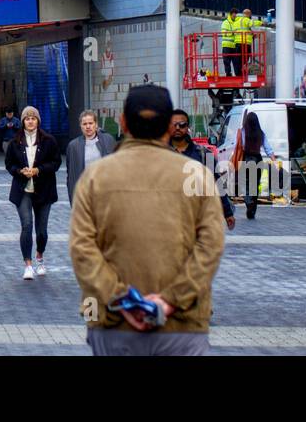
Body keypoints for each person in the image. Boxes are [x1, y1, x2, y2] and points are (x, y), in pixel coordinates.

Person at [69, 84, 226, 356]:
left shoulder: (95, 178)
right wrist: (169, 301)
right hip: (182, 327)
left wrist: (122, 298)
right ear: (169, 126)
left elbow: (82, 249)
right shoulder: (196, 175)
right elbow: (210, 246)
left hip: (113, 324)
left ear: (123, 122)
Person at [6, 105, 62, 280]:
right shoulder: (15, 142)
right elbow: (9, 164)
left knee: (41, 231)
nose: (30, 121)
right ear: (22, 121)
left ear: (38, 120)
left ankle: (39, 256)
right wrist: (19, 171)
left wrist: (38, 170)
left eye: (33, 118)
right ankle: (28, 264)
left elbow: (56, 163)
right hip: (23, 190)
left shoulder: (49, 140)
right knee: (27, 225)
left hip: (43, 189)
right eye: (27, 118)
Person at [168, 109, 234, 230]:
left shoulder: (203, 154)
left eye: (181, 125)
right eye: (173, 125)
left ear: (187, 127)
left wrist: (227, 212)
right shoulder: (159, 154)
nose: (177, 128)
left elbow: (217, 183)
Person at [65, 109, 117, 205]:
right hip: (85, 191)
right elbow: (70, 174)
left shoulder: (108, 140)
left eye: (90, 123)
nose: (88, 126)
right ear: (80, 126)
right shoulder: (73, 146)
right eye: (84, 124)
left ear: (96, 124)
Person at [229, 111, 274, 220]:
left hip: (246, 159)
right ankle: (253, 208)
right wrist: (274, 160)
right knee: (255, 184)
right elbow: (268, 148)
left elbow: (238, 146)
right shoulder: (261, 133)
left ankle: (249, 204)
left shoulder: (243, 132)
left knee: (245, 184)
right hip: (258, 159)